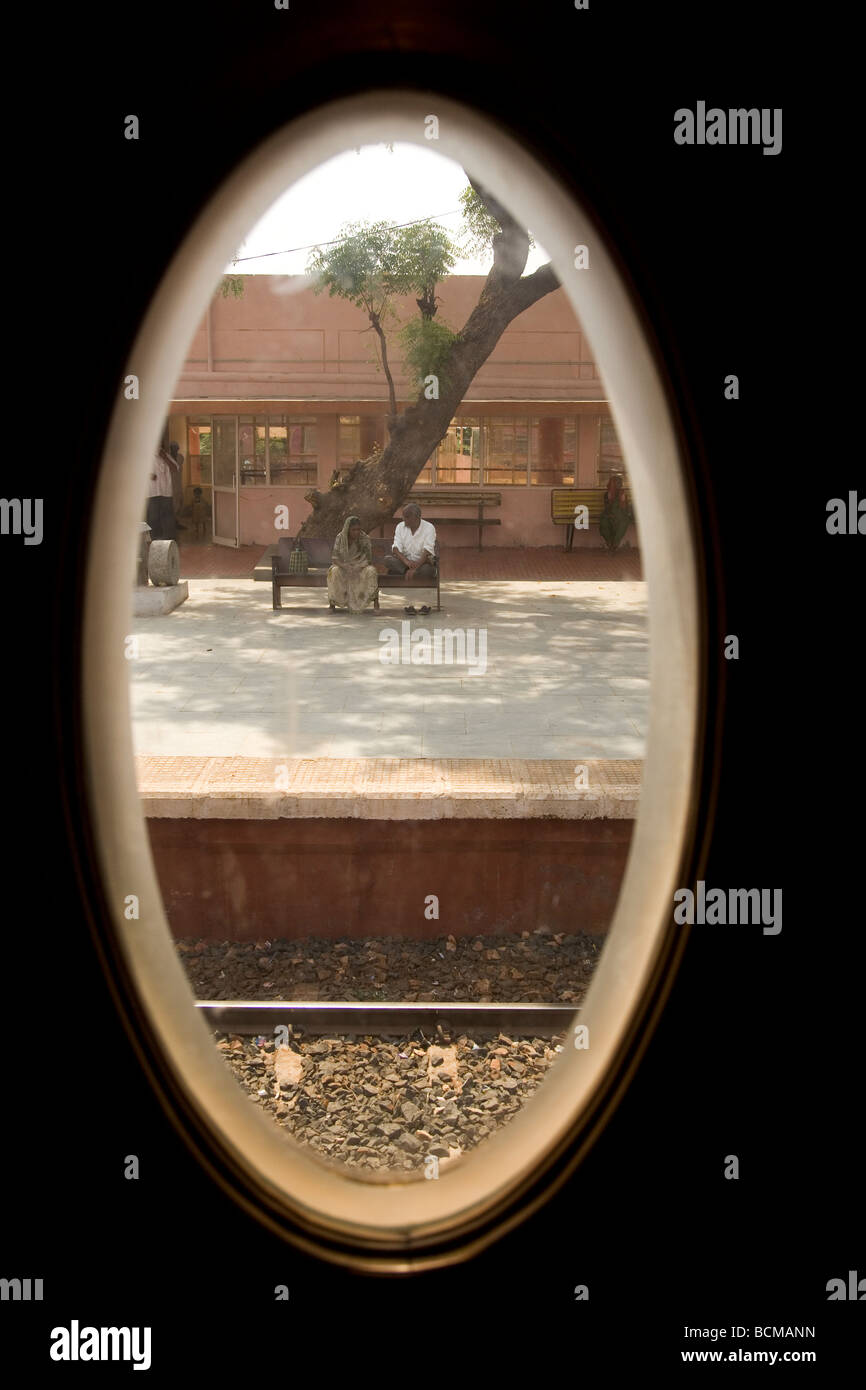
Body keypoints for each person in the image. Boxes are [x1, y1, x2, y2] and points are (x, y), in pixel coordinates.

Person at [327, 515, 379, 613]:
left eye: (358, 529)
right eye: (353, 530)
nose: (356, 532)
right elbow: (334, 558)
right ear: (348, 529)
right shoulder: (340, 537)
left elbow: (368, 559)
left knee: (371, 571)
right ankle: (332, 604)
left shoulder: (365, 538)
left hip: (361, 566)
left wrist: (357, 567)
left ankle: (376, 604)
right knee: (334, 571)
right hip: (344, 566)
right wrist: (345, 566)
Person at [384, 502, 437, 580]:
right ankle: (409, 572)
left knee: (427, 570)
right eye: (403, 516)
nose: (404, 519)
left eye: (407, 517)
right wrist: (407, 563)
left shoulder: (429, 527)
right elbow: (396, 549)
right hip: (405, 563)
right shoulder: (400, 526)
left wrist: (416, 566)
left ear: (417, 517)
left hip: (423, 563)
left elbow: (427, 551)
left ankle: (408, 572)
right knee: (387, 560)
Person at [146, 447, 178, 541]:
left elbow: (175, 469)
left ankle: (169, 542)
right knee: (153, 518)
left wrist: (165, 457)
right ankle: (155, 543)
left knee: (168, 518)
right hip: (152, 492)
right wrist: (149, 475)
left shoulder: (166, 455)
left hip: (166, 492)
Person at [599, 474, 633, 552]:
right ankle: (609, 542)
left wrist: (622, 499)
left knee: (623, 523)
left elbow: (624, 508)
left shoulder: (622, 494)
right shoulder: (607, 495)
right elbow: (607, 508)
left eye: (615, 484)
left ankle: (615, 543)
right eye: (611, 484)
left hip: (621, 516)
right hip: (609, 515)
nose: (612, 487)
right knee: (604, 523)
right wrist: (610, 498)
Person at [168, 440, 187, 529]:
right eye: (173, 448)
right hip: (171, 485)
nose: (174, 449)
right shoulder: (167, 458)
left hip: (178, 484)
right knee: (173, 504)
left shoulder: (180, 457)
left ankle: (176, 521)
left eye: (176, 448)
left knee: (180, 503)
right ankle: (173, 523)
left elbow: (177, 465)